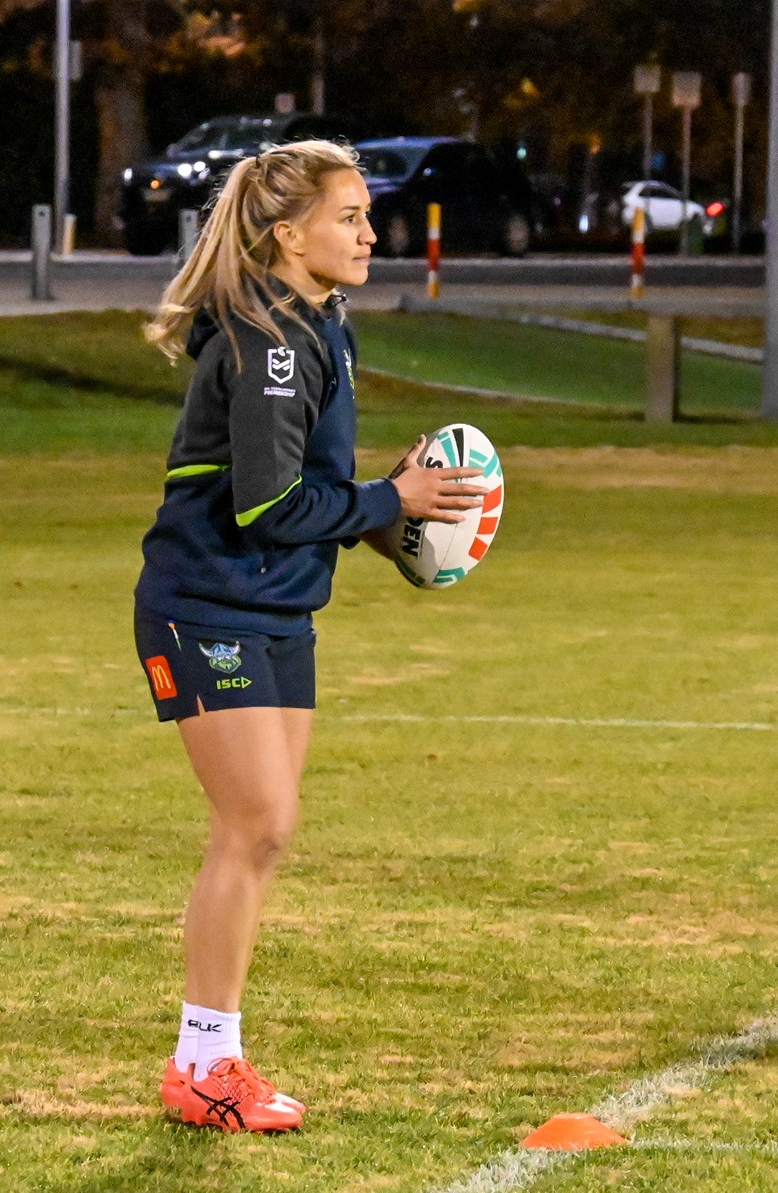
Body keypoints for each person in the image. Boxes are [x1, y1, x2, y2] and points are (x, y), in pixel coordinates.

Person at [134, 139, 484, 1133]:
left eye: (369, 216)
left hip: (277, 608)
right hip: (209, 606)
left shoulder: (321, 326)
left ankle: (209, 1060)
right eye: (350, 217)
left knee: (264, 832)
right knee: (256, 823)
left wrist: (390, 516)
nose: (371, 234)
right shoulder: (271, 345)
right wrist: (391, 499)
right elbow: (268, 505)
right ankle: (206, 1066)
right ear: (289, 234)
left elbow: (310, 493)